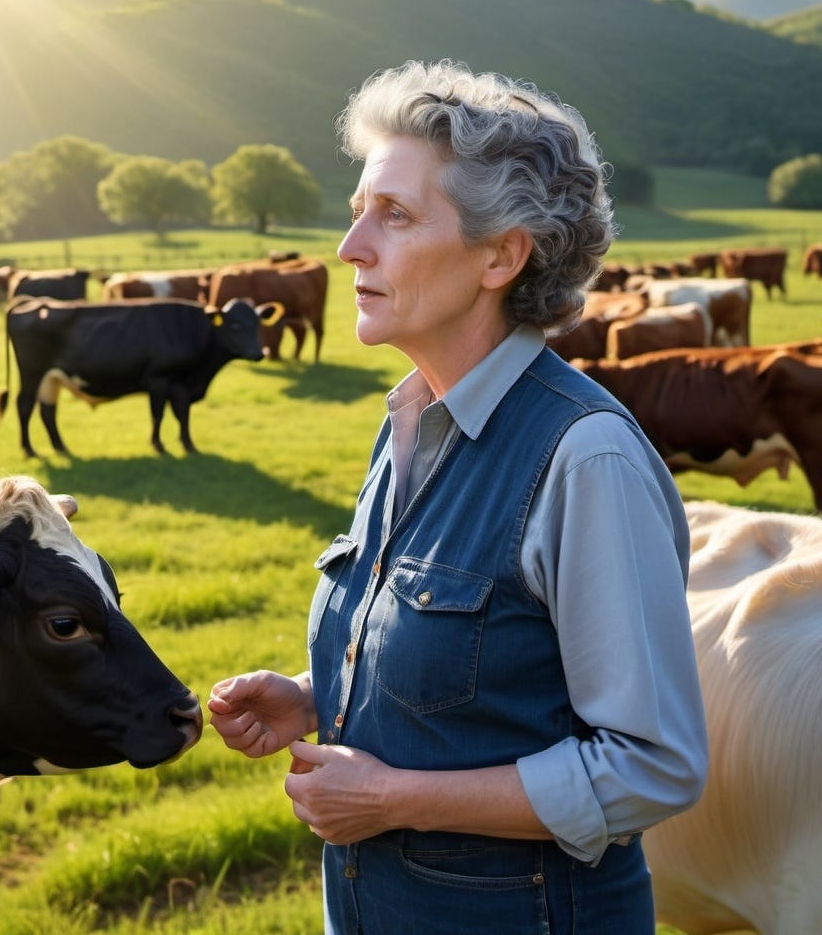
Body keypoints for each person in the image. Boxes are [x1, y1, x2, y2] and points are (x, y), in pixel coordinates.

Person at [208, 59, 708, 934]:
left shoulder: (584, 459)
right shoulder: (409, 416)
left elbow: (650, 766)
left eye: (394, 215)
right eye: (359, 209)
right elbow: (484, 671)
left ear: (501, 256)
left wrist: (394, 798)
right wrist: (313, 692)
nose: (349, 247)